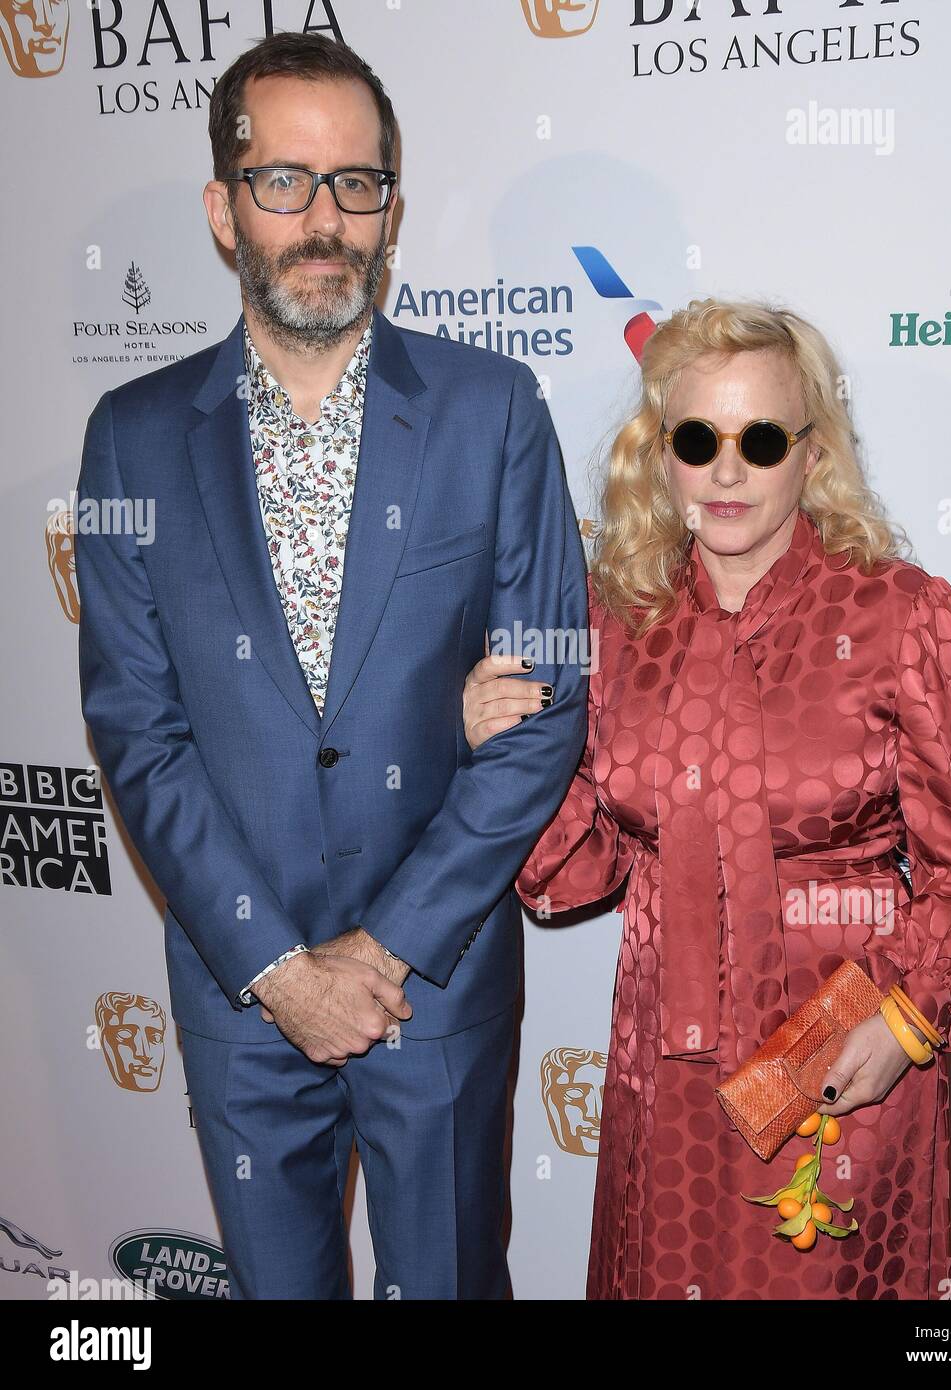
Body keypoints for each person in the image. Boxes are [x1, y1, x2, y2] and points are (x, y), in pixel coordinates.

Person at [75, 31, 588, 1300]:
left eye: (355, 183)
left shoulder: (491, 410)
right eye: (284, 180)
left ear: (391, 210)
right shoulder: (129, 440)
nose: (323, 218)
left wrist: (385, 948)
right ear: (221, 205)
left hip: (436, 985)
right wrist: (280, 970)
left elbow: (548, 698)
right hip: (241, 993)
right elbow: (137, 729)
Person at [463, 298, 951, 1300]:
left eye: (760, 440)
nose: (726, 471)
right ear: (658, 454)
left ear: (810, 455)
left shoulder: (903, 617)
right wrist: (499, 750)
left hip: (845, 1049)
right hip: (661, 1062)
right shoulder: (610, 623)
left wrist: (898, 1030)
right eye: (696, 437)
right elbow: (572, 874)